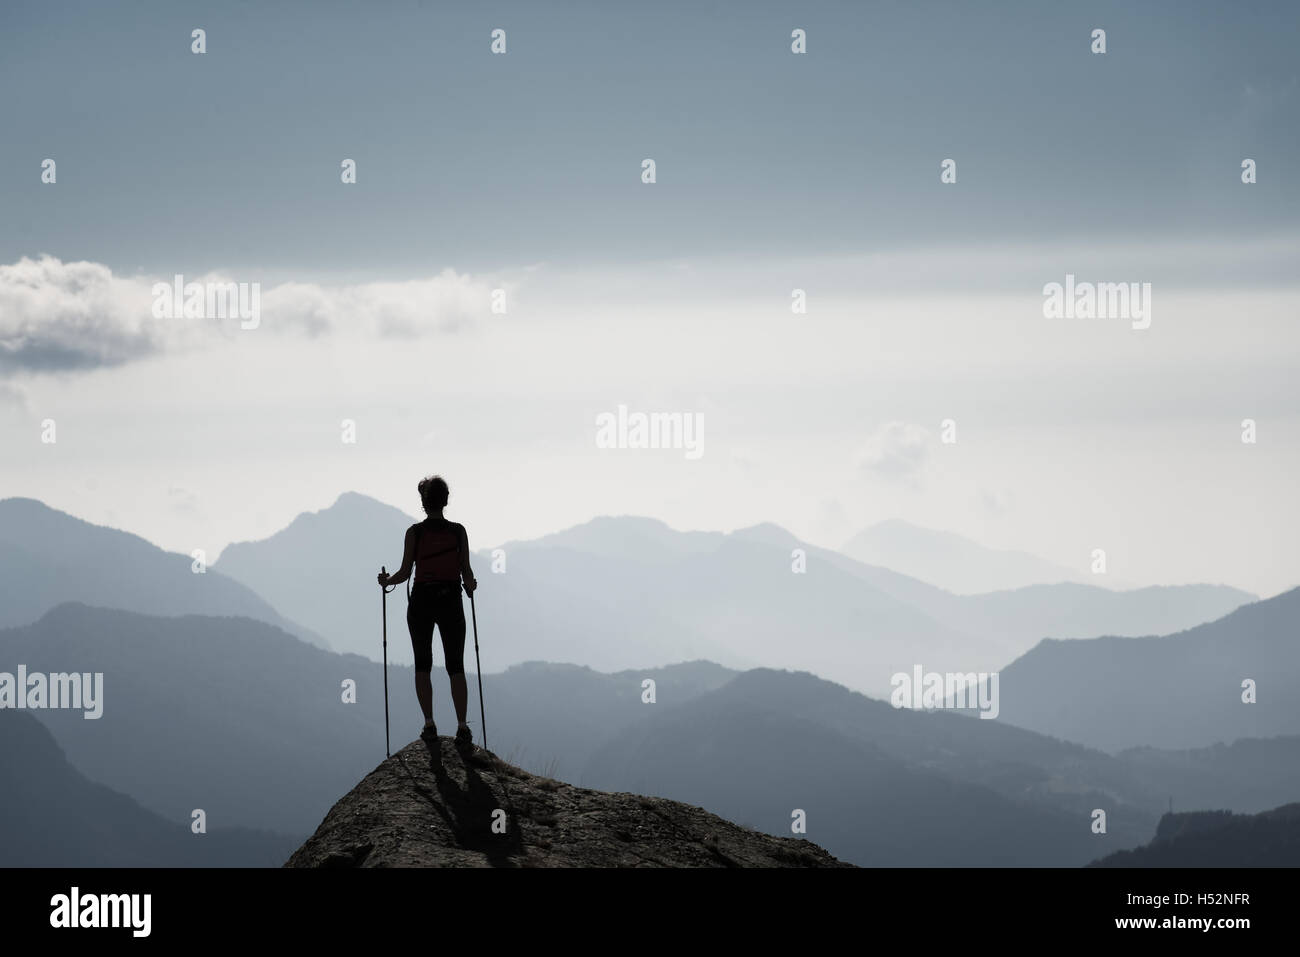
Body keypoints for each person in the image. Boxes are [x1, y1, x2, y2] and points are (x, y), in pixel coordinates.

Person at [378, 475, 478, 751]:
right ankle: (462, 727)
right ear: (446, 501)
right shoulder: (458, 532)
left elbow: (404, 572)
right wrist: (470, 585)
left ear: (424, 503)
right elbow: (466, 572)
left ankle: (430, 724)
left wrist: (386, 582)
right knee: (455, 664)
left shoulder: (415, 533)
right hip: (450, 599)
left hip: (422, 600)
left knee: (423, 662)